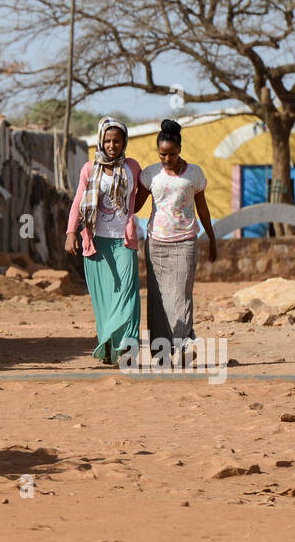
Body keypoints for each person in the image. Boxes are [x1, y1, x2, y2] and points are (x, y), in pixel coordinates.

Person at [134, 119, 217, 366]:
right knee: (158, 299)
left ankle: (183, 345)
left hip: (186, 242)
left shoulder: (195, 174)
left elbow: (202, 207)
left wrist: (211, 237)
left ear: (179, 149)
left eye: (171, 154)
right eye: (162, 155)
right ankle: (161, 353)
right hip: (156, 243)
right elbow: (135, 206)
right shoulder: (150, 174)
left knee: (181, 295)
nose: (167, 159)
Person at [65, 116, 147, 365]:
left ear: (124, 142)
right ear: (101, 141)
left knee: (128, 295)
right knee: (104, 298)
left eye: (117, 141)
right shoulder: (89, 168)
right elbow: (79, 201)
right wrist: (70, 232)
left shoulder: (133, 167)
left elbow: (142, 193)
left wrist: (131, 213)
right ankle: (110, 348)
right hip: (96, 240)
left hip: (124, 241)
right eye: (108, 141)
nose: (112, 145)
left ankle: (128, 347)